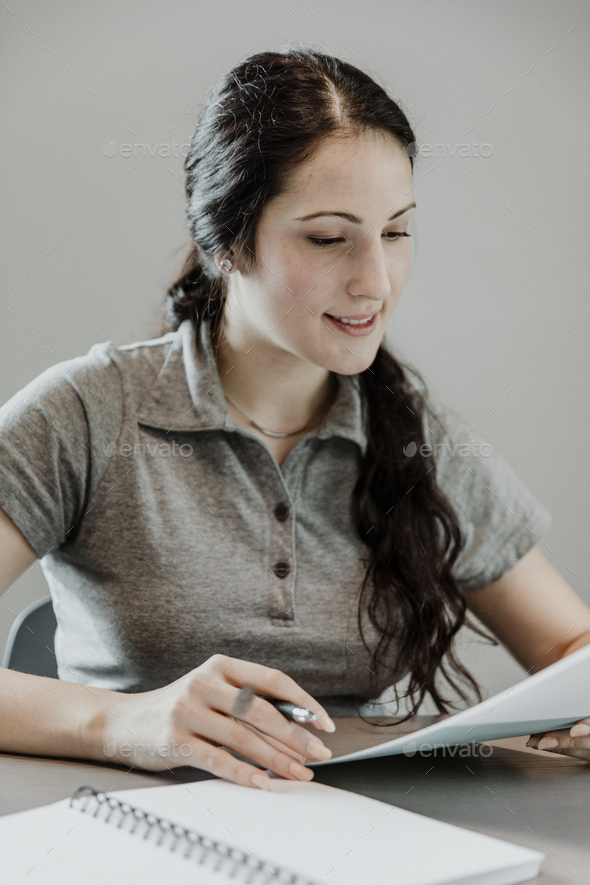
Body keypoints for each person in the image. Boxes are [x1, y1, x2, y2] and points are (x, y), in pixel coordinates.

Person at [1, 45, 589, 790]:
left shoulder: (414, 437)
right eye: (327, 237)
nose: (376, 280)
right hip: (133, 832)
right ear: (224, 244)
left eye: (398, 231)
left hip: (362, 835)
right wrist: (127, 720)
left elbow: (573, 642)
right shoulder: (88, 413)